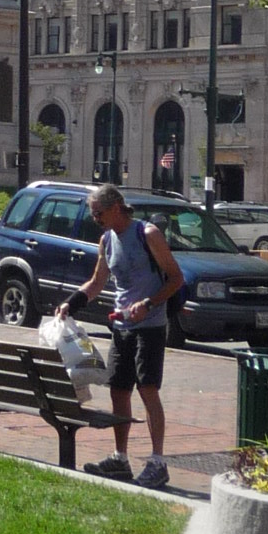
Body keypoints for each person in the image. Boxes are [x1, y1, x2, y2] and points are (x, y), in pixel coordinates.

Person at [56, 183, 184, 489]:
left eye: (99, 213)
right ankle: (120, 458)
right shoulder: (106, 240)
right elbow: (97, 282)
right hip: (122, 326)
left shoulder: (147, 234)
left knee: (148, 388)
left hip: (150, 326)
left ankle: (157, 461)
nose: (96, 219)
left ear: (116, 208)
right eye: (93, 214)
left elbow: (176, 278)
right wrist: (70, 303)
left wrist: (149, 303)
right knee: (119, 390)